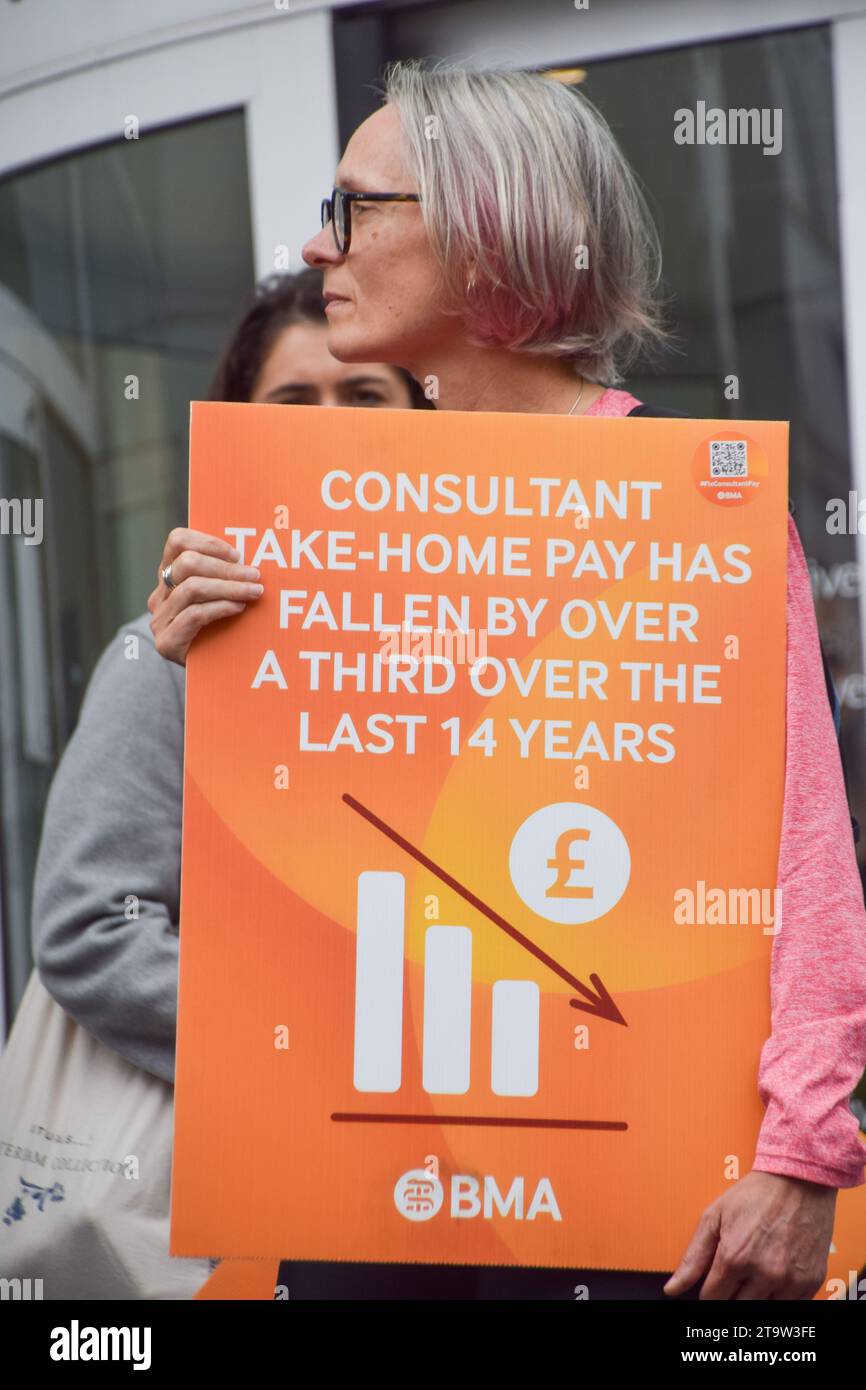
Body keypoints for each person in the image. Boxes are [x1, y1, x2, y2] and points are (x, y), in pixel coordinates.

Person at [146, 60, 866, 1300]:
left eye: (356, 208)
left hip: (623, 1185)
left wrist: (803, 1148)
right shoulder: (333, 517)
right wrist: (201, 659)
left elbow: (802, 845)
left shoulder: (694, 511)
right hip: (365, 1175)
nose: (320, 247)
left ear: (485, 238)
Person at [28, 268, 430, 1296]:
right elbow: (87, 925)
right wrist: (315, 1044)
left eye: (365, 396)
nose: (327, 428)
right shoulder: (168, 654)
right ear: (240, 427)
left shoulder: (468, 649)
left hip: (462, 1169)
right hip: (263, 1205)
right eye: (293, 402)